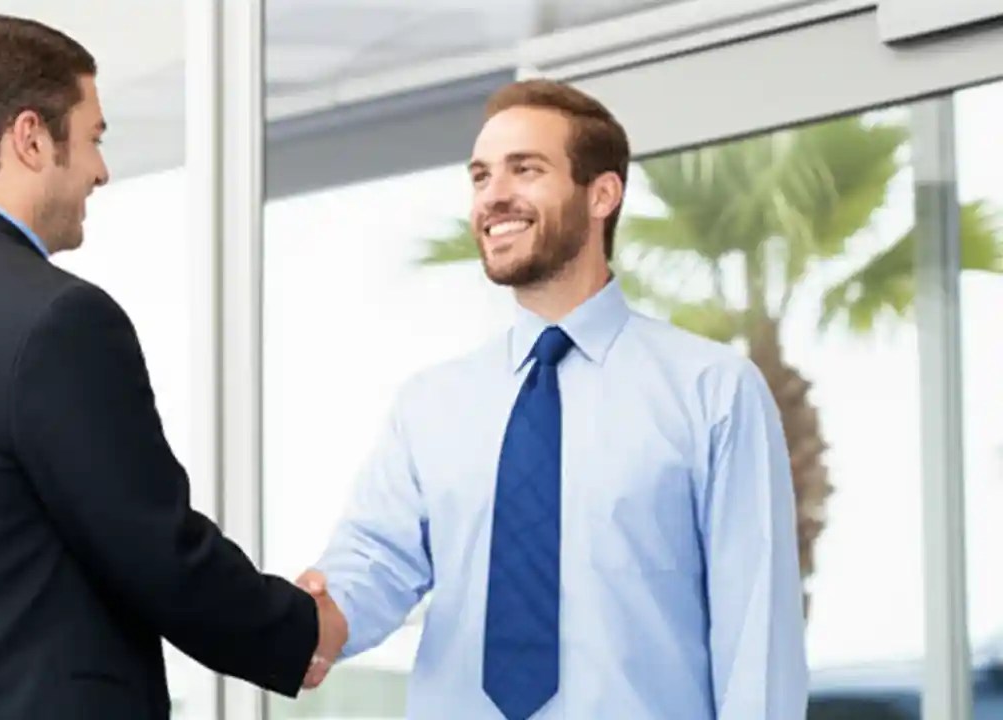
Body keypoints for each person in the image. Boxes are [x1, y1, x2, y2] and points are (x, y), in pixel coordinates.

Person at [0, 14, 345, 719]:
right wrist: (300, 630)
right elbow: (156, 549)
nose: (101, 170)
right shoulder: (58, 320)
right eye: (93, 138)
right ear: (30, 138)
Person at [297, 79, 807, 718]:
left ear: (602, 194)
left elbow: (756, 634)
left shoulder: (712, 391)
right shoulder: (431, 405)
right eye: (480, 176)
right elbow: (372, 566)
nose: (494, 195)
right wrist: (312, 617)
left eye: (525, 169)